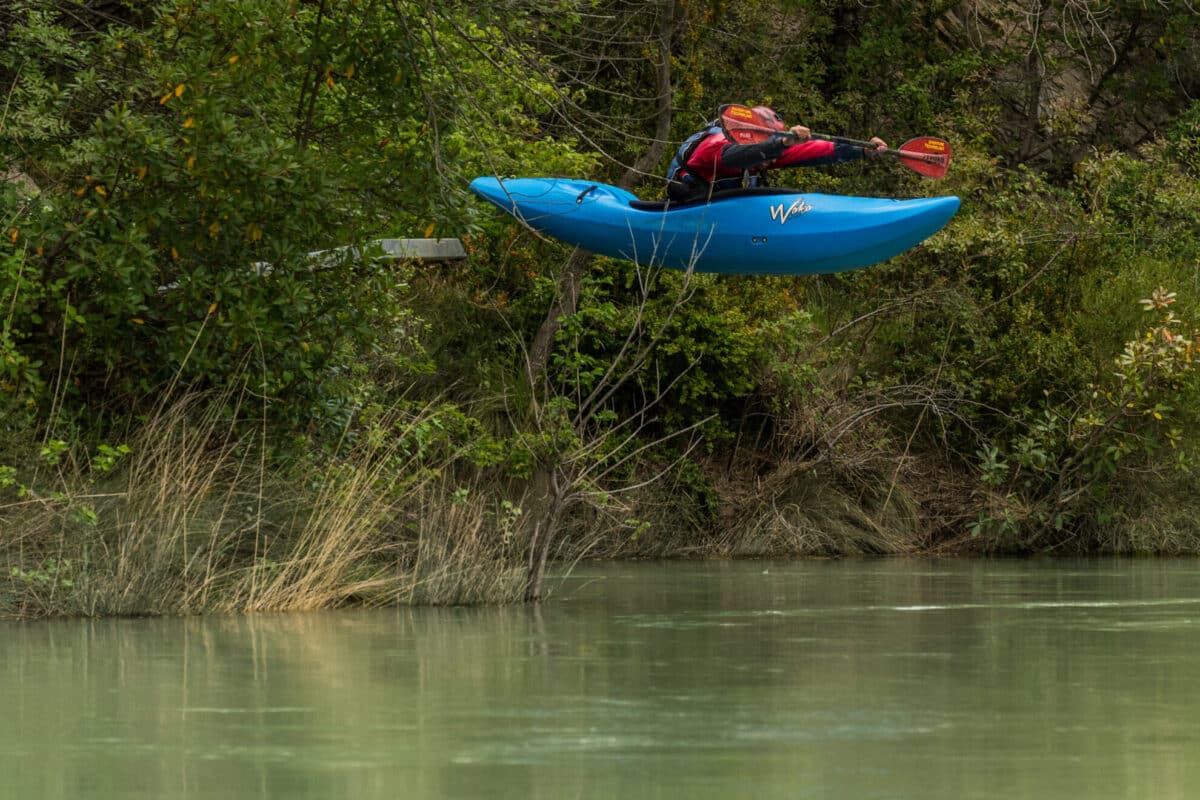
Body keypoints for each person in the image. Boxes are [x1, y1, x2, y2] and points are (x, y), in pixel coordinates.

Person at [666, 105, 887, 203]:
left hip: (724, 208)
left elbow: (814, 150)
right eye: (770, 142)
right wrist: (781, 142)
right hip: (688, 205)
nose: (773, 157)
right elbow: (741, 156)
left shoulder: (769, 150)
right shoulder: (715, 146)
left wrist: (861, 150)